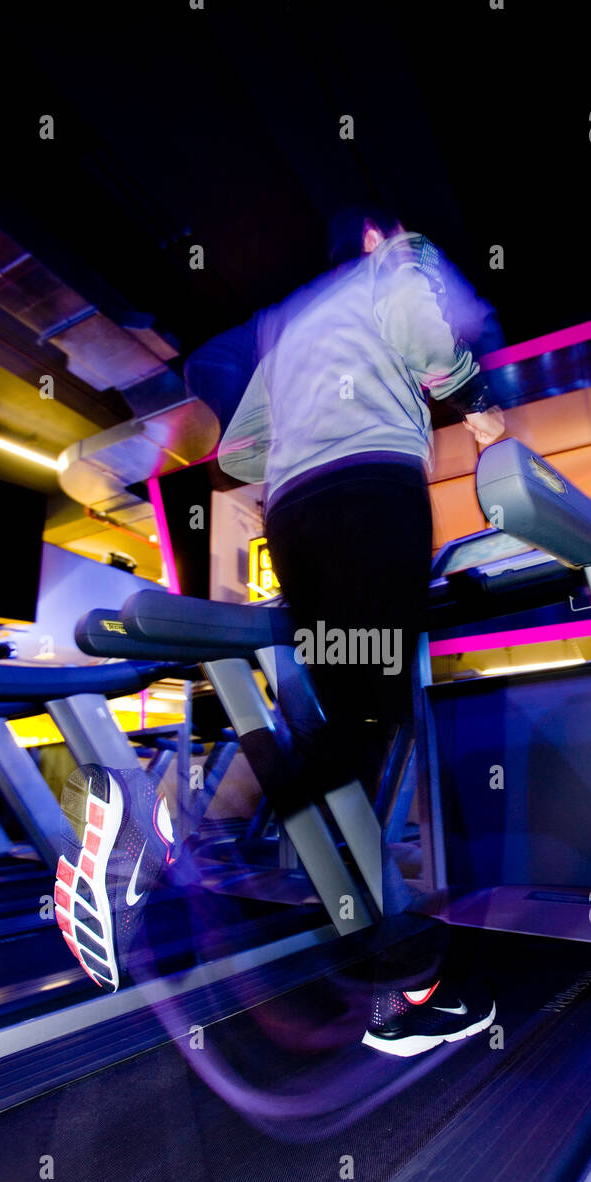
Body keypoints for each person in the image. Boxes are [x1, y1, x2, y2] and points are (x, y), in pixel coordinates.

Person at [216, 204, 506, 1054]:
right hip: (369, 496)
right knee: (370, 721)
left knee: (354, 717)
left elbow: (239, 455)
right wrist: (475, 406)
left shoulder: (288, 324)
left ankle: (402, 972)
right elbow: (427, 329)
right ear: (379, 240)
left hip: (295, 515)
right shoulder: (395, 263)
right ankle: (180, 835)